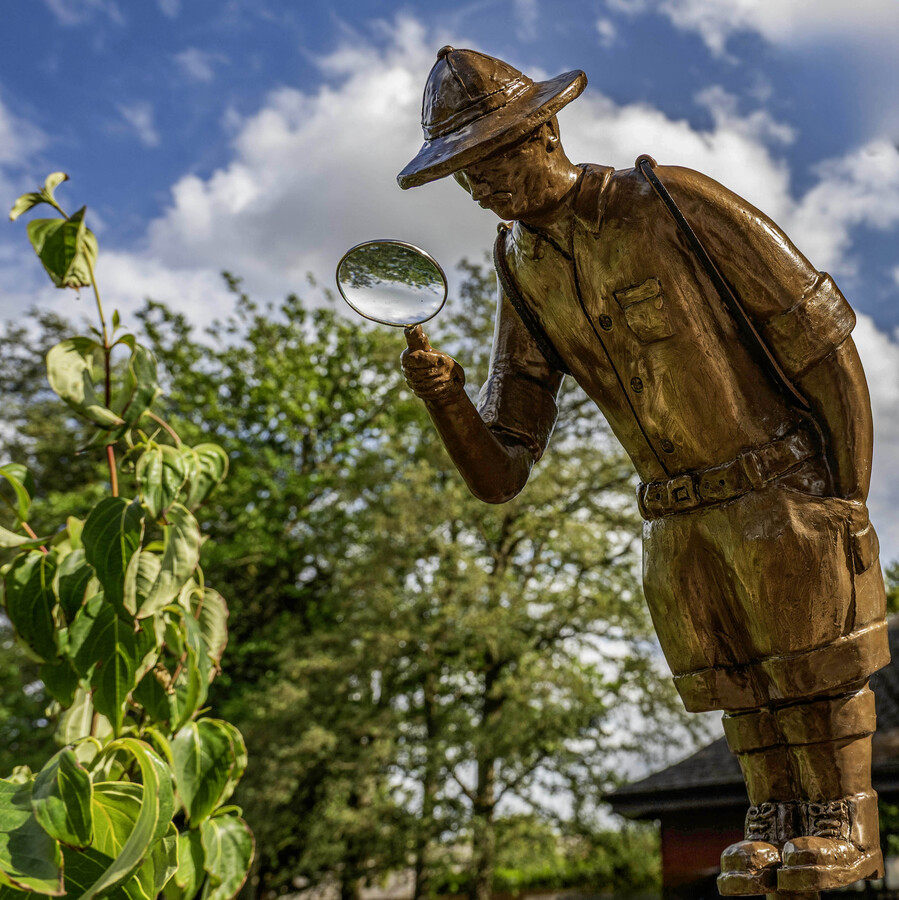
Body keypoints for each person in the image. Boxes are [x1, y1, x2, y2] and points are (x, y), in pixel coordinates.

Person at [396, 46, 889, 895]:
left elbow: (821, 341)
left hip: (780, 490)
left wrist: (844, 497)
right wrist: (444, 399)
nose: (480, 188)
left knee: (816, 670)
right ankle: (770, 817)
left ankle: (845, 819)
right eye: (463, 175)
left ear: (544, 130)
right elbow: (504, 463)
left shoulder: (668, 202)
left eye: (489, 160)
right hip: (677, 519)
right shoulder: (521, 265)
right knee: (736, 684)